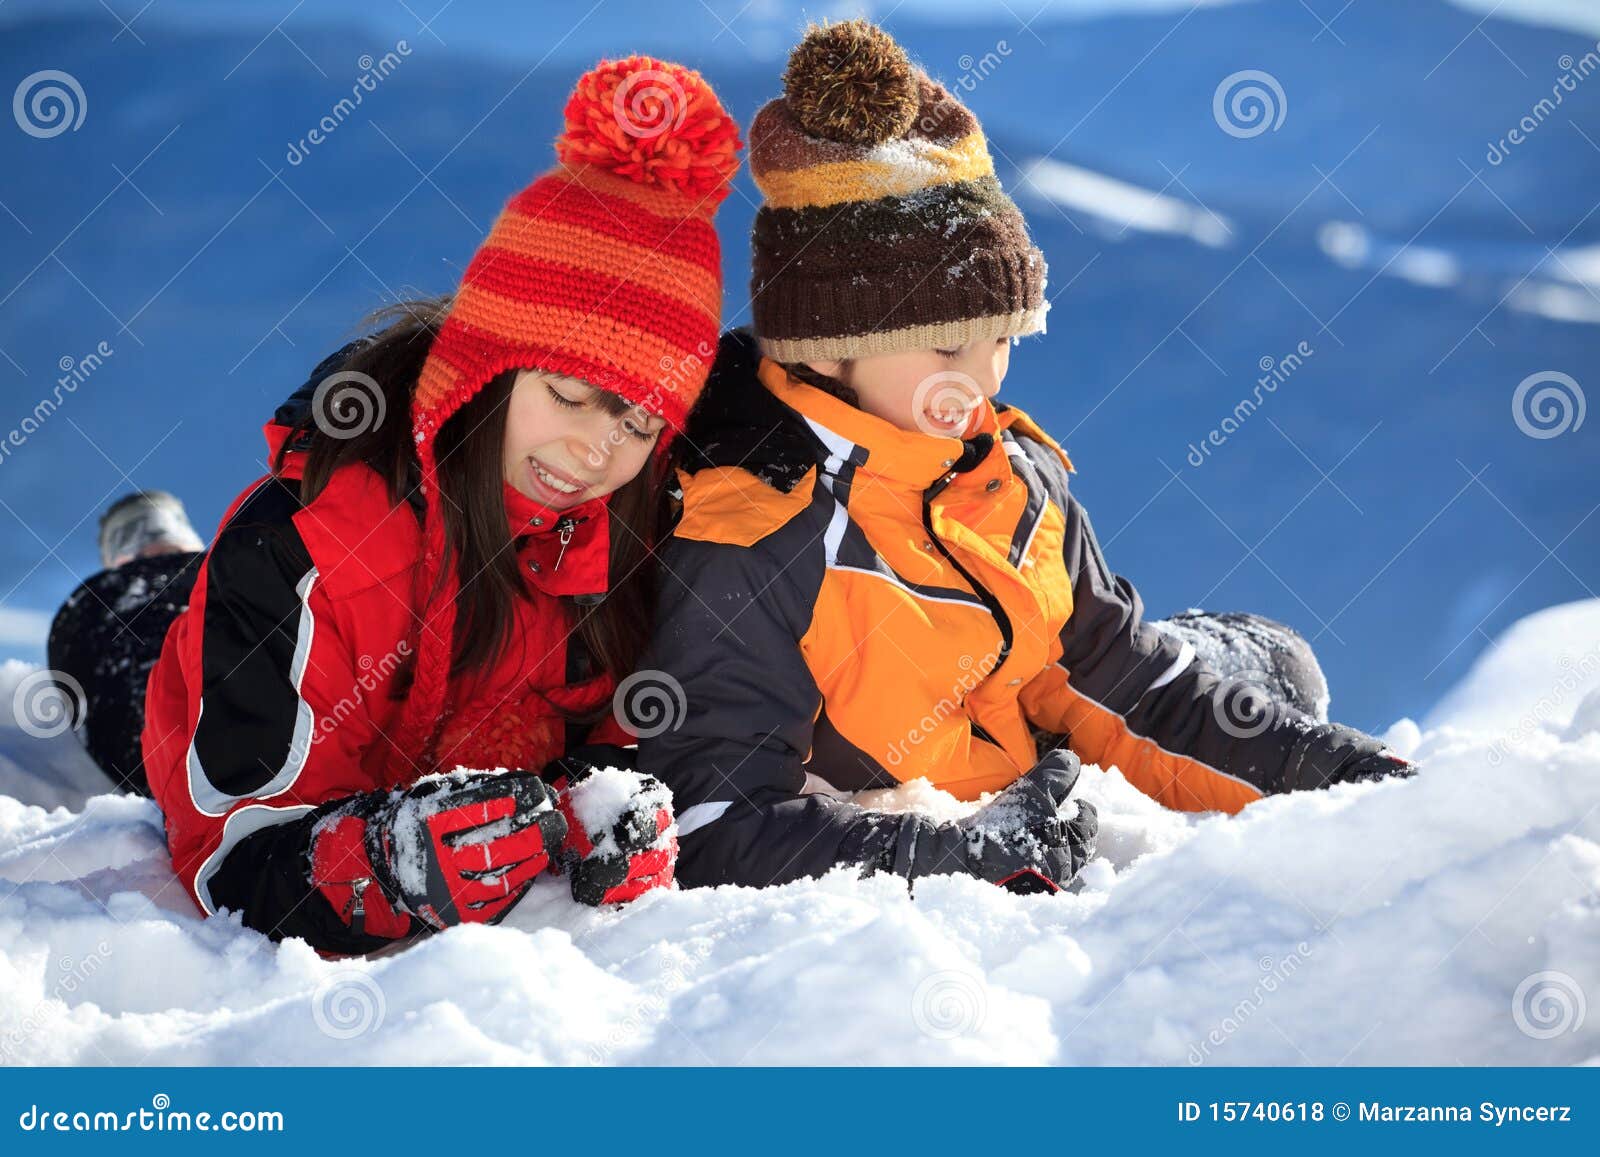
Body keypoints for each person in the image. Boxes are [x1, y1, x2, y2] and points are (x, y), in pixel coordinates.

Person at [636, 20, 1413, 893]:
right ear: (826, 347)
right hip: (896, 876)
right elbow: (716, 821)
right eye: (944, 346)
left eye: (999, 339)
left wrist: (1337, 772)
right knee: (1267, 673)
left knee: (1283, 675)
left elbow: (1124, 685)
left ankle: (1247, 666)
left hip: (1031, 783)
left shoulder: (1010, 474)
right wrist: (954, 857)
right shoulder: (756, 536)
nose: (979, 382)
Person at [48, 56, 742, 954]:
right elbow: (230, 846)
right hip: (204, 653)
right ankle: (149, 556)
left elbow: (617, 729)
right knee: (122, 637)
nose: (593, 453)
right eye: (568, 396)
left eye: (638, 423)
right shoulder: (299, 545)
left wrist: (603, 807)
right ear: (490, 366)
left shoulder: (631, 535)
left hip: (375, 718)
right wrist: (380, 864)